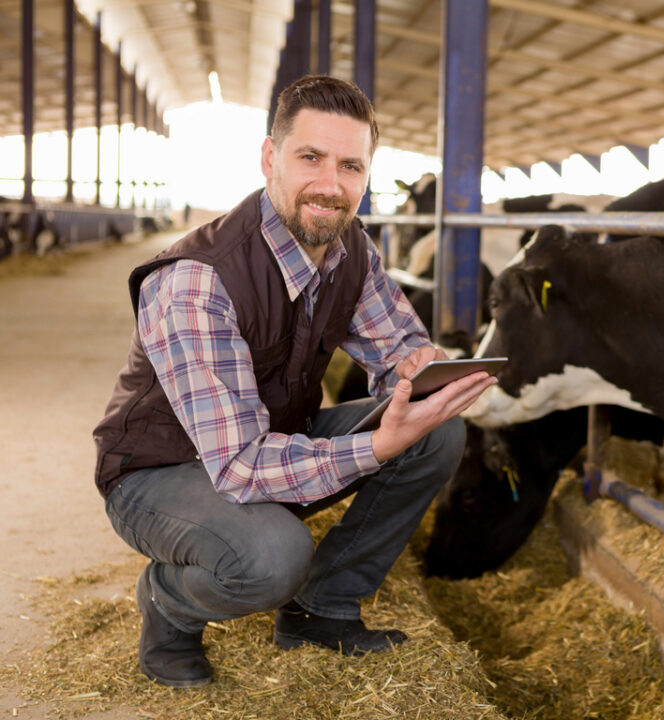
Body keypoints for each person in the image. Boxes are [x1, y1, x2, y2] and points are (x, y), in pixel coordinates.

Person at [92, 74, 496, 688]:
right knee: (272, 556)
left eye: (351, 167)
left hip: (272, 440)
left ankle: (320, 609)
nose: (332, 186)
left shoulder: (349, 248)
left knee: (436, 432)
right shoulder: (196, 280)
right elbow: (237, 465)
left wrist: (416, 368)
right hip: (163, 469)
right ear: (268, 157)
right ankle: (168, 603)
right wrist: (373, 447)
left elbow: (399, 342)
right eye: (311, 158)